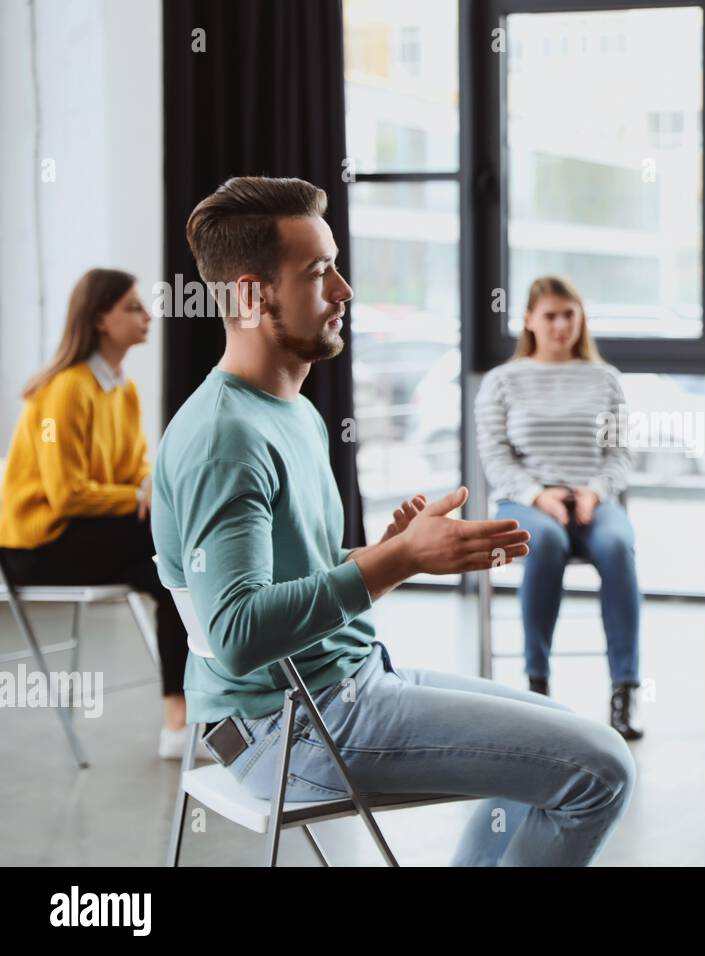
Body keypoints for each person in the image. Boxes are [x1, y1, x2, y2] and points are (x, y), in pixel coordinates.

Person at [151, 177, 635, 865]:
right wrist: (401, 560)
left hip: (346, 685)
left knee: (570, 745)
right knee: (601, 769)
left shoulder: (289, 410)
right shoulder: (226, 436)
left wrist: (389, 550)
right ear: (253, 296)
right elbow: (236, 633)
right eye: (319, 273)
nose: (344, 290)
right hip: (291, 727)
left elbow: (291, 576)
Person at [0, 268, 191, 759]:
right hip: (39, 546)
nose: (148, 315)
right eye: (132, 306)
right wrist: (137, 497)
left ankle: (180, 718)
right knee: (172, 550)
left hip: (90, 537)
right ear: (101, 318)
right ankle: (185, 715)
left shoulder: (121, 389)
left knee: (172, 570)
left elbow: (133, 468)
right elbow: (66, 496)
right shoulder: (65, 389)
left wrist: (148, 483)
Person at [475, 275, 644, 740]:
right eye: (550, 315)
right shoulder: (502, 382)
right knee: (544, 541)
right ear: (529, 320)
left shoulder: (605, 379)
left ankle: (624, 692)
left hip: (591, 496)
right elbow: (495, 456)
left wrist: (592, 491)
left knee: (616, 544)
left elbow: (620, 454)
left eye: (569, 314)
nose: (560, 325)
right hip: (528, 497)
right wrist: (537, 495)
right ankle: (538, 685)